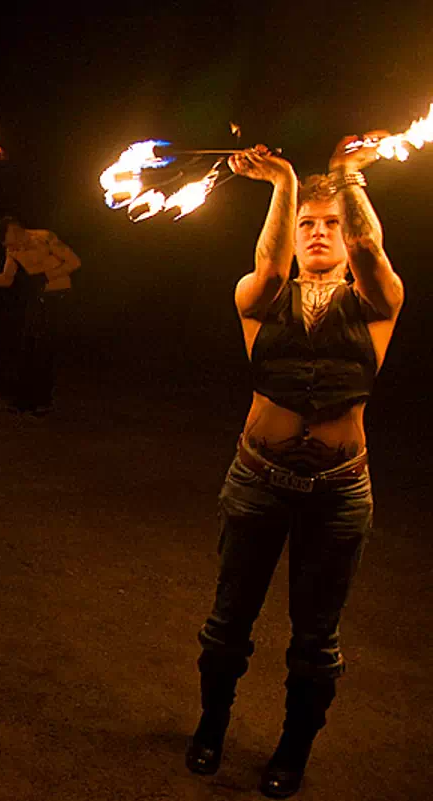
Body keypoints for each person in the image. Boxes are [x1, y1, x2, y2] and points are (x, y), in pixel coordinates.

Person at [186, 137, 403, 798]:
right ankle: (212, 725)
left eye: (329, 222)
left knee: (317, 640)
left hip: (339, 494)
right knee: (227, 625)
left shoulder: (377, 301)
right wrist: (284, 182)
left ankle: (291, 750)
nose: (318, 232)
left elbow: (369, 252)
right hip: (258, 481)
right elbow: (272, 269)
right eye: (306, 223)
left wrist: (345, 178)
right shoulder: (260, 295)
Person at [0, 216, 81, 414]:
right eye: (6, 245)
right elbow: (7, 279)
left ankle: (43, 400)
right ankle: (24, 400)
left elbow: (74, 262)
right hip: (38, 296)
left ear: (17, 231)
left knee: (45, 348)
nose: (11, 247)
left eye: (10, 241)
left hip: (57, 295)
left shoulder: (44, 237)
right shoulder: (12, 249)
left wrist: (46, 276)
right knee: (27, 346)